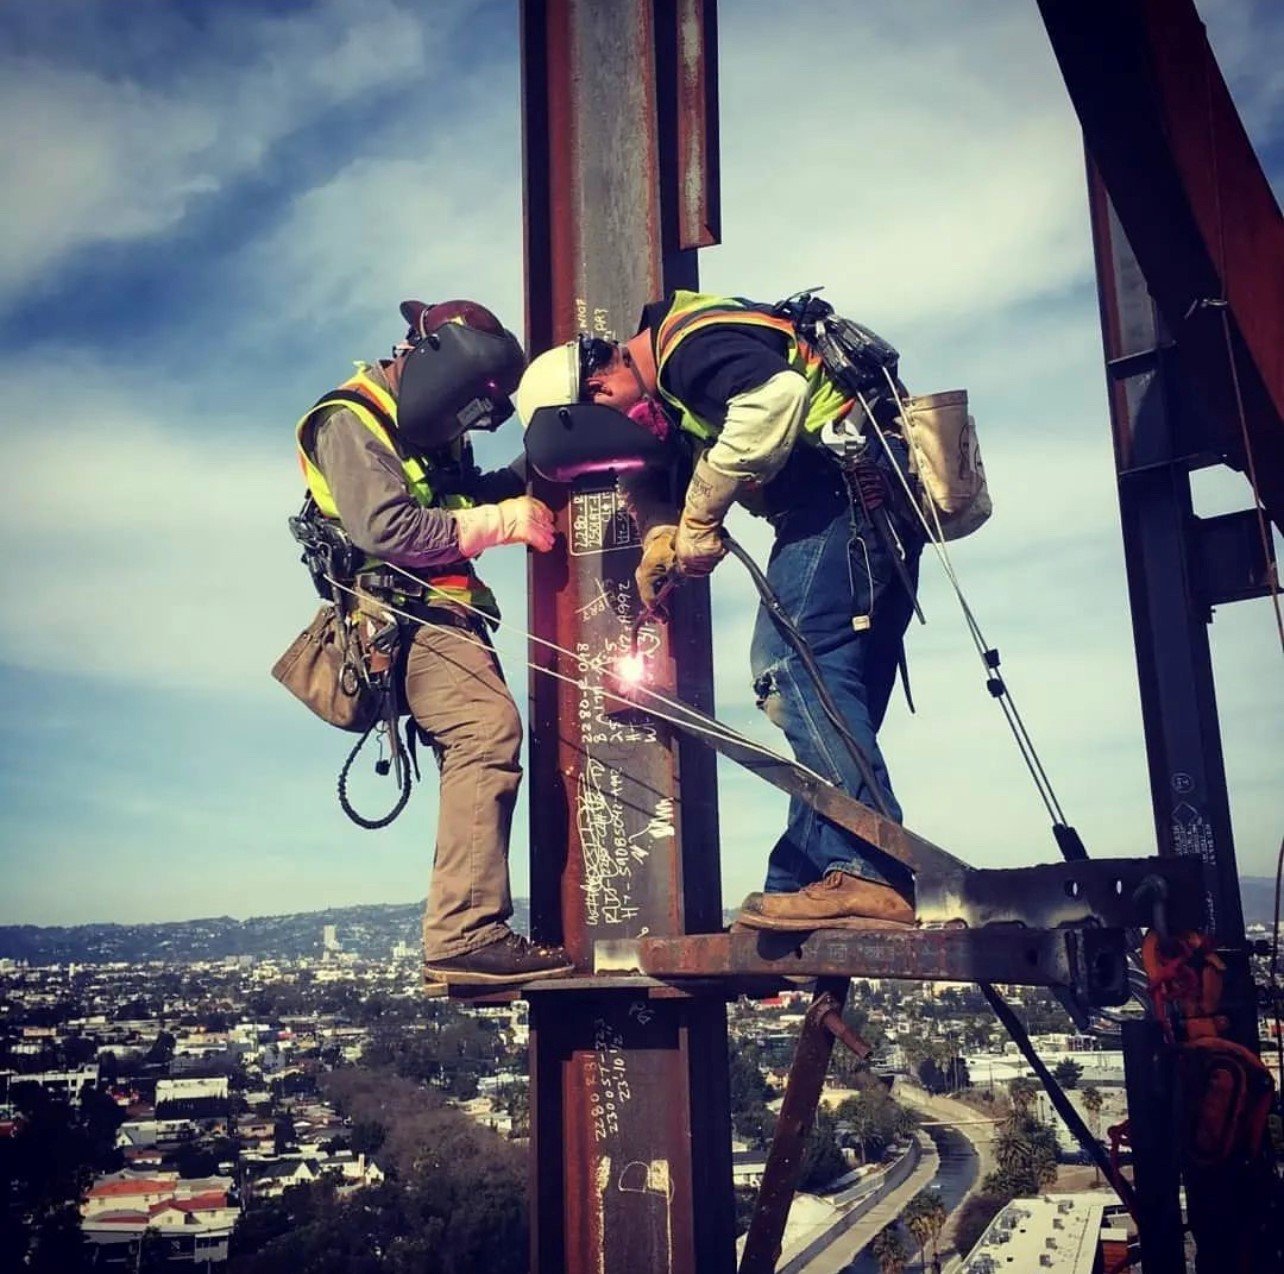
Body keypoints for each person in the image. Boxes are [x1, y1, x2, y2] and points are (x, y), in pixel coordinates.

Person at [514, 291, 924, 930]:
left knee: (788, 666)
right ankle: (812, 874)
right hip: (856, 503)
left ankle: (868, 872)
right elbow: (649, 471)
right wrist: (658, 535)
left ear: (598, 386)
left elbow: (776, 399)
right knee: (831, 691)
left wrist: (702, 514)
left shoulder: (685, 345)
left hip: (851, 494)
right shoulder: (665, 397)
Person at [295, 299, 574, 984]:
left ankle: (466, 930)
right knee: (485, 731)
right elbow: (389, 530)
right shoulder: (349, 421)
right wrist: (503, 522)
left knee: (490, 733)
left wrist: (543, 460)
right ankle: (463, 934)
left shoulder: (431, 428)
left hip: (445, 612)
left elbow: (459, 498)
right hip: (401, 615)